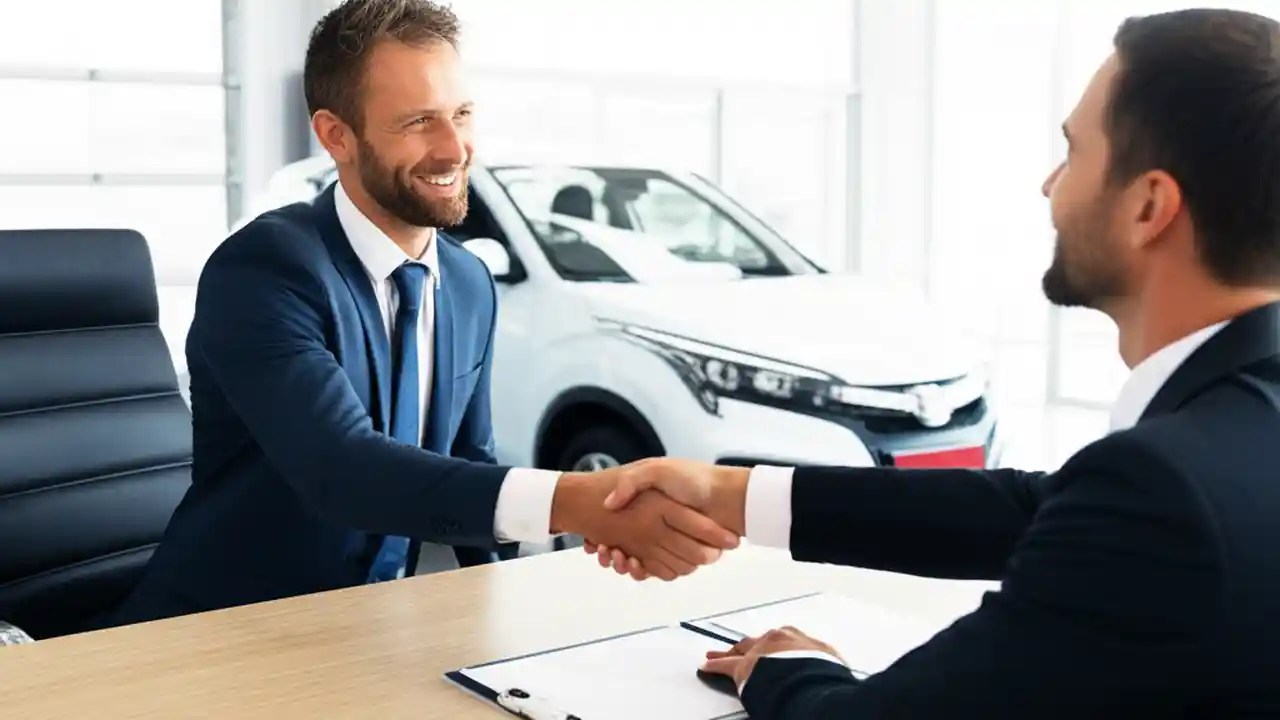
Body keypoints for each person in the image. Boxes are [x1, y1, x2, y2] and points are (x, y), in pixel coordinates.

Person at [591, 8, 1280, 718]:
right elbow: (1039, 510)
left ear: (1149, 206)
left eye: (1073, 153)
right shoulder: (1231, 437)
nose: (1050, 186)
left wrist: (791, 669)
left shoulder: (1165, 492)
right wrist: (729, 493)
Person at [103, 0, 736, 628]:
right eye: (417, 122)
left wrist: (519, 615)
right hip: (224, 633)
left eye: (461, 114)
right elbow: (344, 471)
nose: (454, 148)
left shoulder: (466, 281)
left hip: (375, 629)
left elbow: (470, 460)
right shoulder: (265, 269)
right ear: (336, 136)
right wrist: (578, 502)